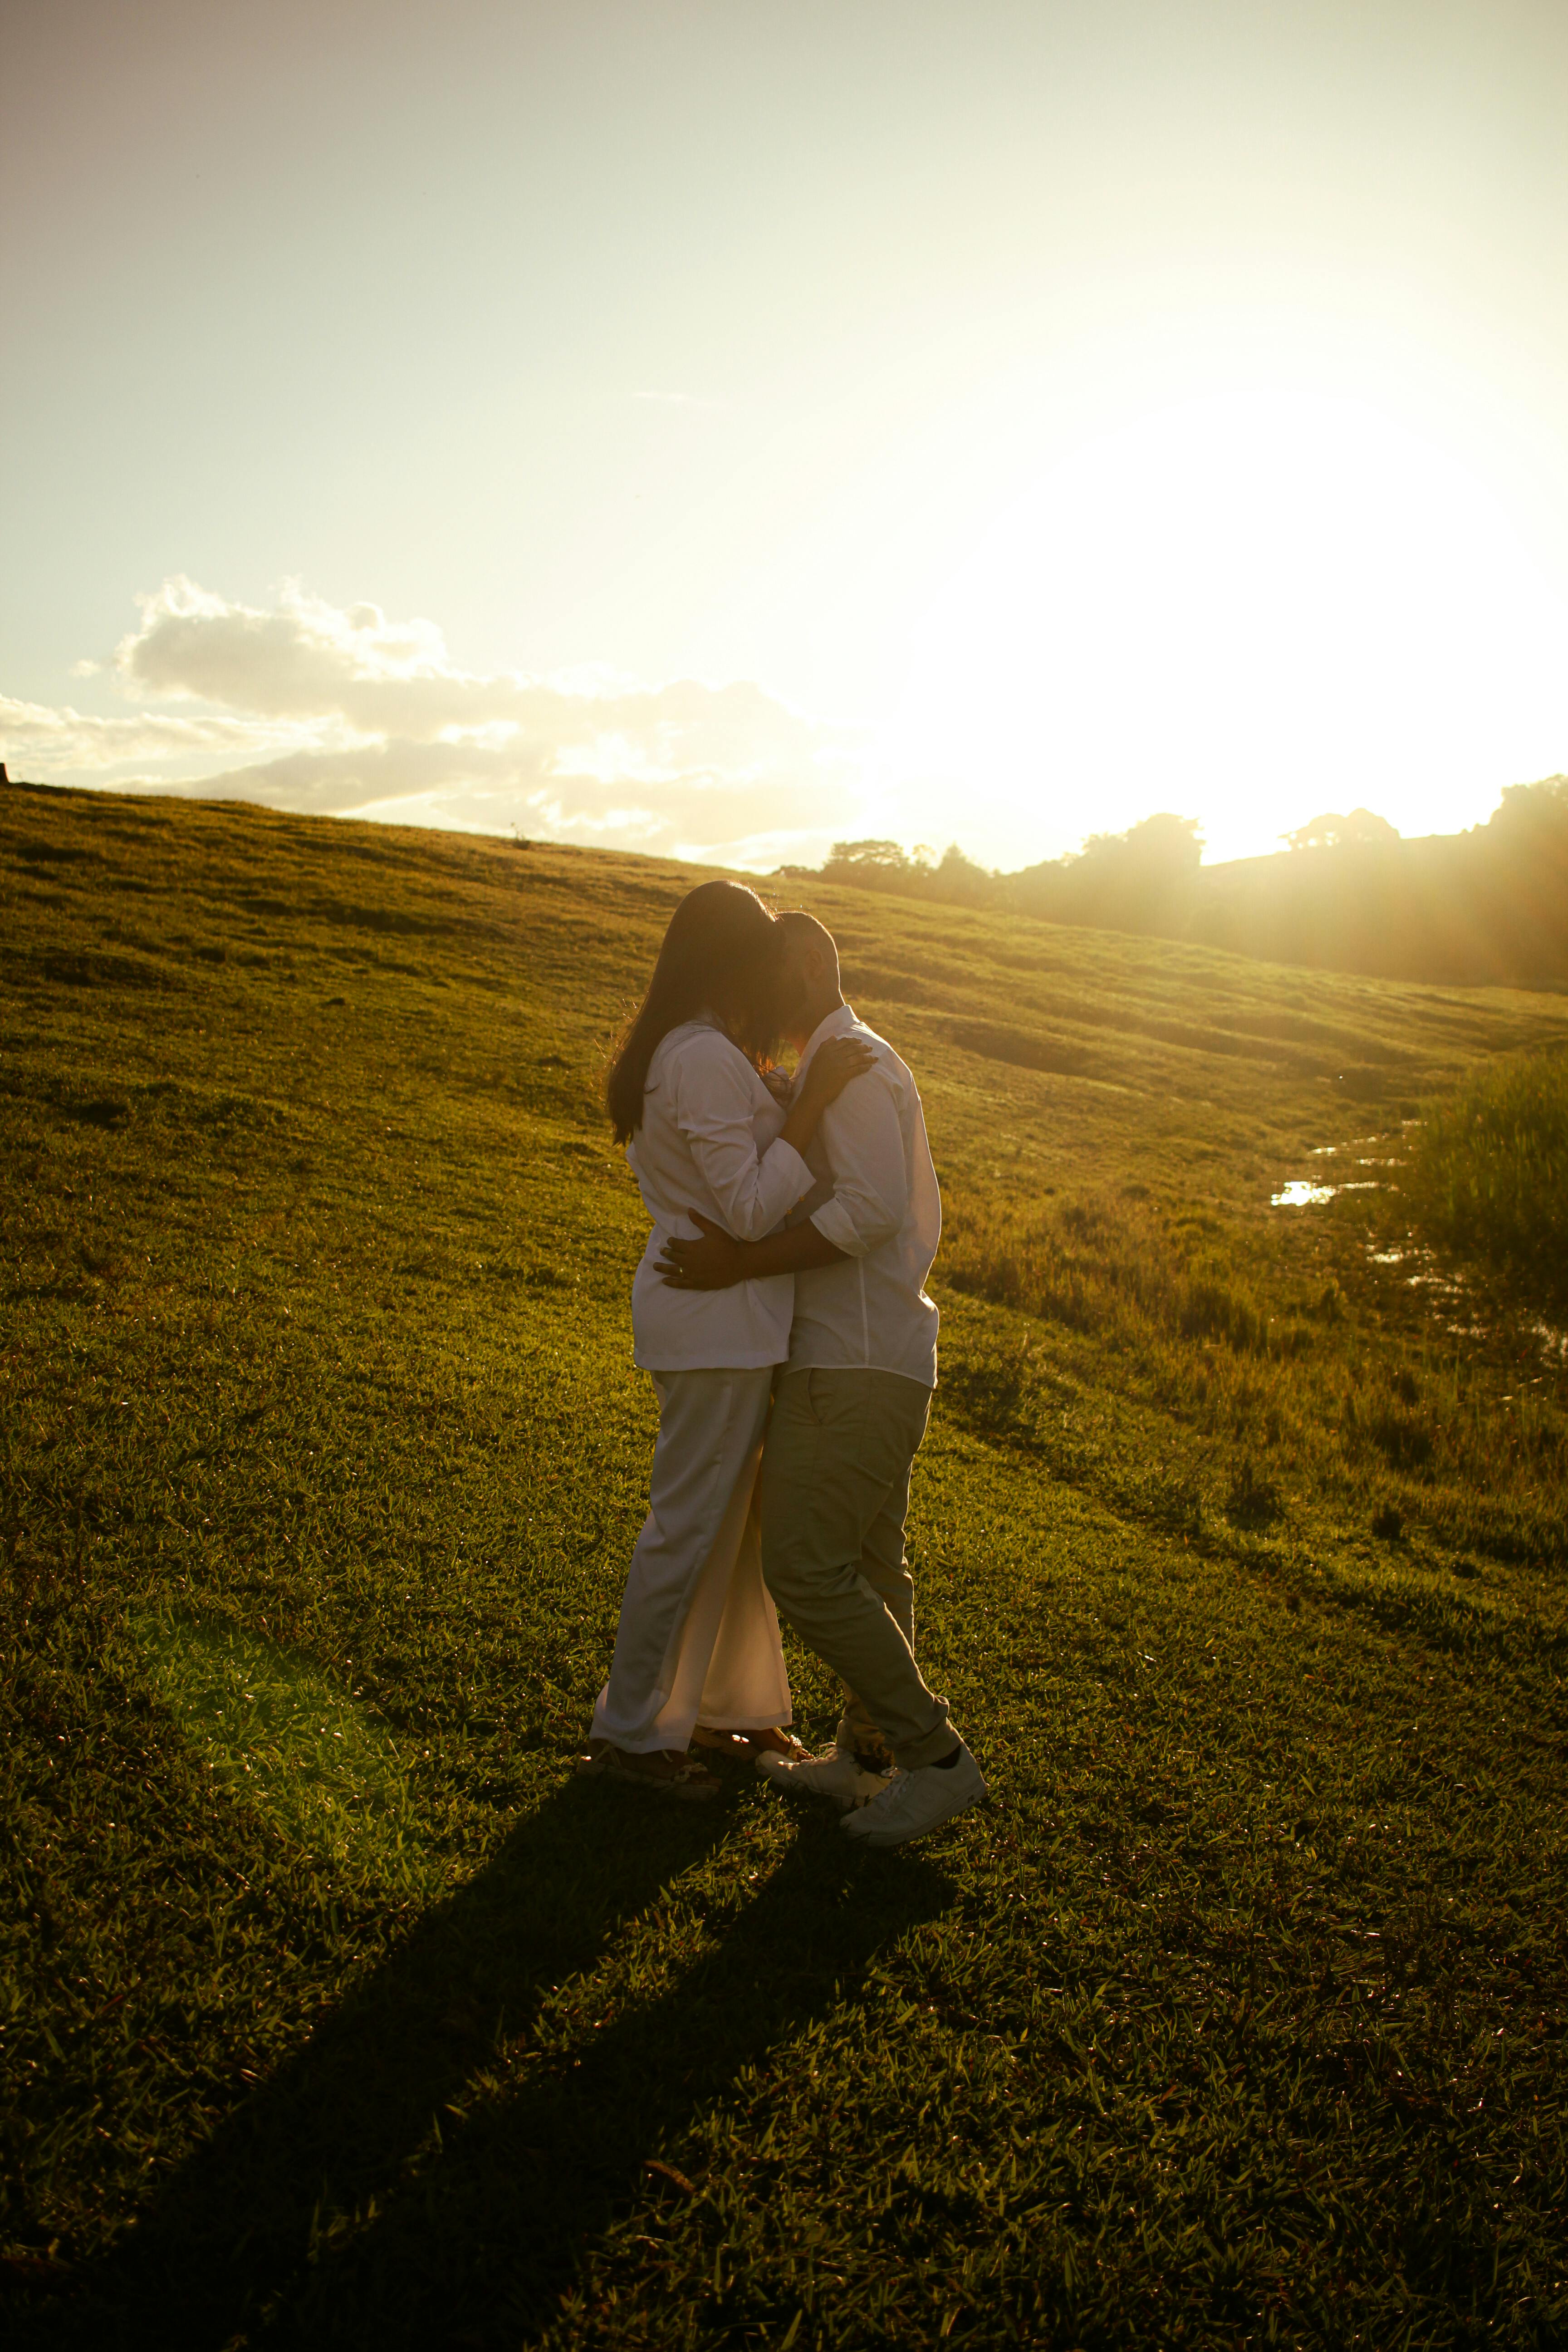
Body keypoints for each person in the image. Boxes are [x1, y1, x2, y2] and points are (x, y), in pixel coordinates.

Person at [659, 910, 986, 1848]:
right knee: (874, 1566)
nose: (753, 996)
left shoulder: (859, 1064)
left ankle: (937, 1760)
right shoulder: (834, 1065)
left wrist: (742, 1265)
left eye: (767, 975)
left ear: (809, 963)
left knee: (804, 1566)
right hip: (872, 1358)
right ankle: (868, 1758)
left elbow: (872, 1210)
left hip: (854, 1358)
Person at [579, 881, 874, 1799]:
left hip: (728, 1325)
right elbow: (746, 1207)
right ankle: (633, 1735)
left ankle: (721, 1708)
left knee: (727, 1534)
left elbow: (732, 1169)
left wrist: (780, 1092)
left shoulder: (697, 1048)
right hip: (716, 1327)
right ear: (732, 962)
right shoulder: (700, 1055)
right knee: (688, 1529)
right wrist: (811, 1102)